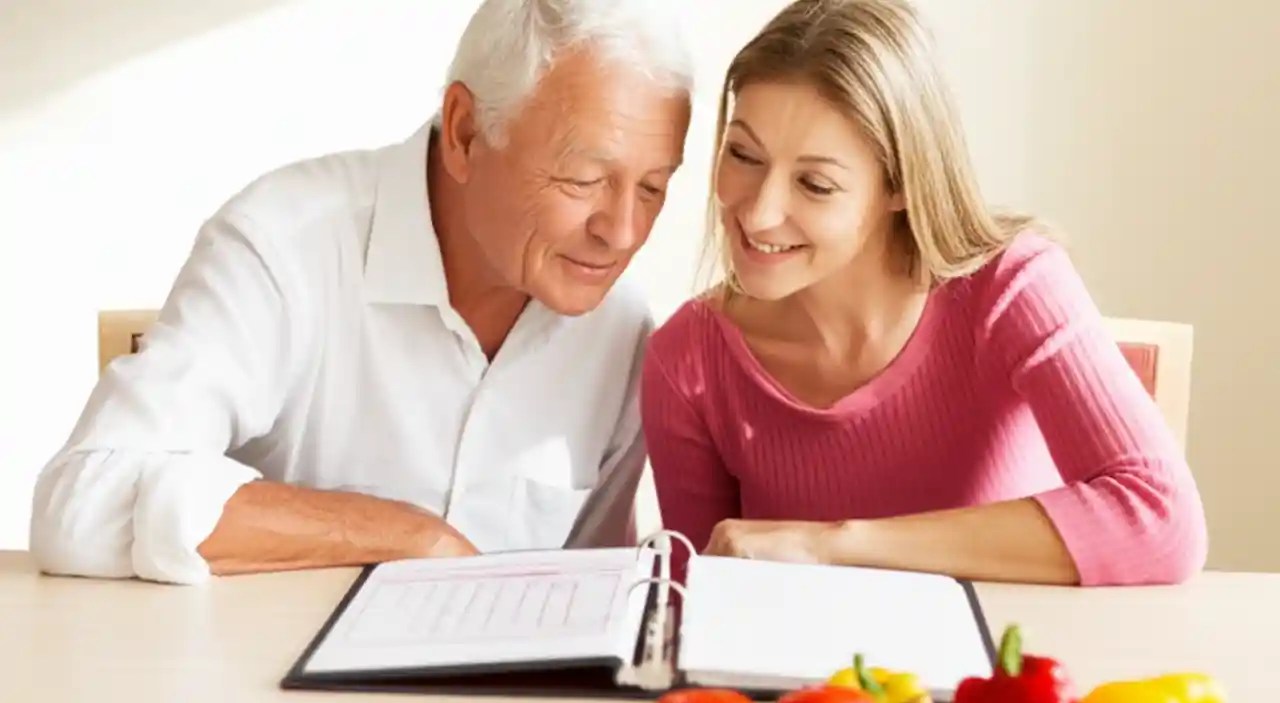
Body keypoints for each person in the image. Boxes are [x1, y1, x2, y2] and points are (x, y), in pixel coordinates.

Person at [30, 0, 693, 585]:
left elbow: (590, 599)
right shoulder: (284, 243)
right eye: (583, 179)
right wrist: (406, 536)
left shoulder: (621, 330)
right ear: (465, 132)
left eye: (653, 187)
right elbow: (81, 499)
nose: (623, 232)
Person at [641, 0, 1206, 587]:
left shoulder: (1013, 287)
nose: (759, 213)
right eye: (743, 155)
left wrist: (834, 544)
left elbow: (1161, 520)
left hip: (1006, 648)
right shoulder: (687, 362)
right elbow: (695, 602)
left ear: (902, 185)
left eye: (815, 184)